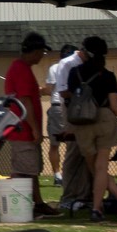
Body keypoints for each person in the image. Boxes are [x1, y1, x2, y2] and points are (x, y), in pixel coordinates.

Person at [66, 36, 117, 222]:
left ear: (85, 52)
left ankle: (101, 204)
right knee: (101, 166)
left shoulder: (74, 73)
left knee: (93, 166)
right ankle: (106, 202)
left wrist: (69, 127)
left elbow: (72, 101)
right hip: (105, 119)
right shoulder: (108, 75)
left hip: (82, 123)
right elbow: (115, 106)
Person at [3, 33, 57, 217]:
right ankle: (18, 208)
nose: (42, 56)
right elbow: (25, 102)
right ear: (33, 51)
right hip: (23, 130)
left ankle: (38, 204)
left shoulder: (20, 68)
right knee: (22, 171)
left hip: (23, 129)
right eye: (41, 52)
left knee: (31, 169)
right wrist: (35, 128)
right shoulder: (21, 69)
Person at [47, 41, 88, 202]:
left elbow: (51, 89)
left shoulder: (55, 67)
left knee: (56, 143)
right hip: (70, 109)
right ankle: (69, 184)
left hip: (60, 107)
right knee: (71, 146)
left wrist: (39, 90)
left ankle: (58, 175)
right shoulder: (73, 66)